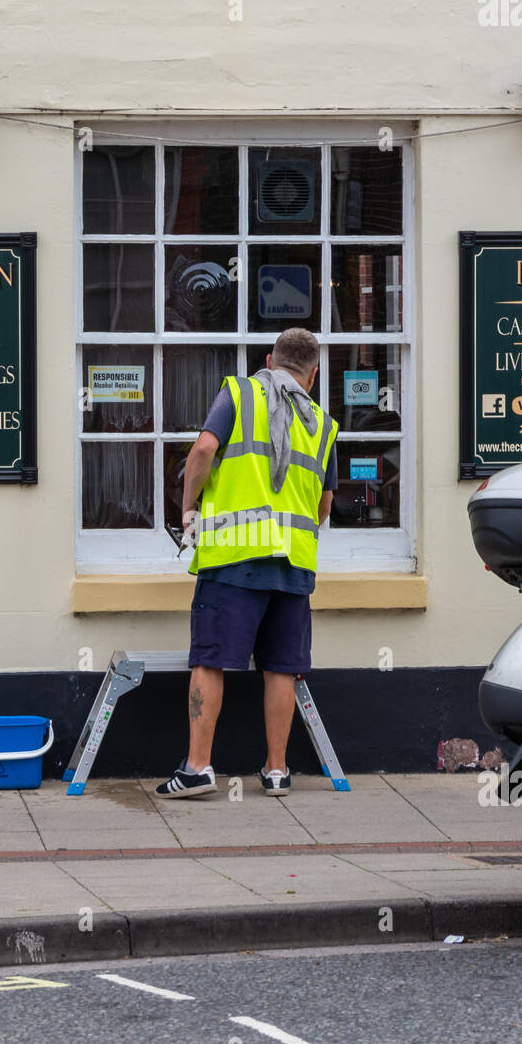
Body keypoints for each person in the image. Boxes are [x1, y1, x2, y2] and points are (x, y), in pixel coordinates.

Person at [156, 327, 338, 799]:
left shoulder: (238, 393)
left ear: (268, 359)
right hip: (293, 564)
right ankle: (277, 771)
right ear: (312, 375)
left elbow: (201, 450)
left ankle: (198, 768)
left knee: (211, 660)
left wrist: (188, 508)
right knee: (281, 667)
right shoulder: (323, 424)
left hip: (235, 559)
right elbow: (324, 504)